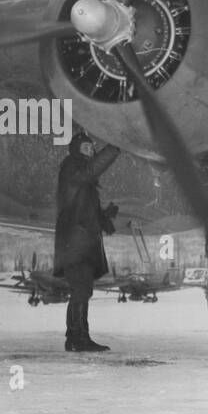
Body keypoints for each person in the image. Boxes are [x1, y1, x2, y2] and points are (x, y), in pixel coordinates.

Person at [53, 133, 120, 351]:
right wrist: (115, 146)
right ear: (76, 149)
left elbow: (83, 209)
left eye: (92, 148)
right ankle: (78, 338)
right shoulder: (72, 167)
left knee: (81, 290)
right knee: (81, 290)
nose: (90, 151)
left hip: (79, 243)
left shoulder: (82, 176)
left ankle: (75, 337)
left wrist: (104, 218)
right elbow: (89, 173)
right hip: (75, 245)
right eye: (86, 148)